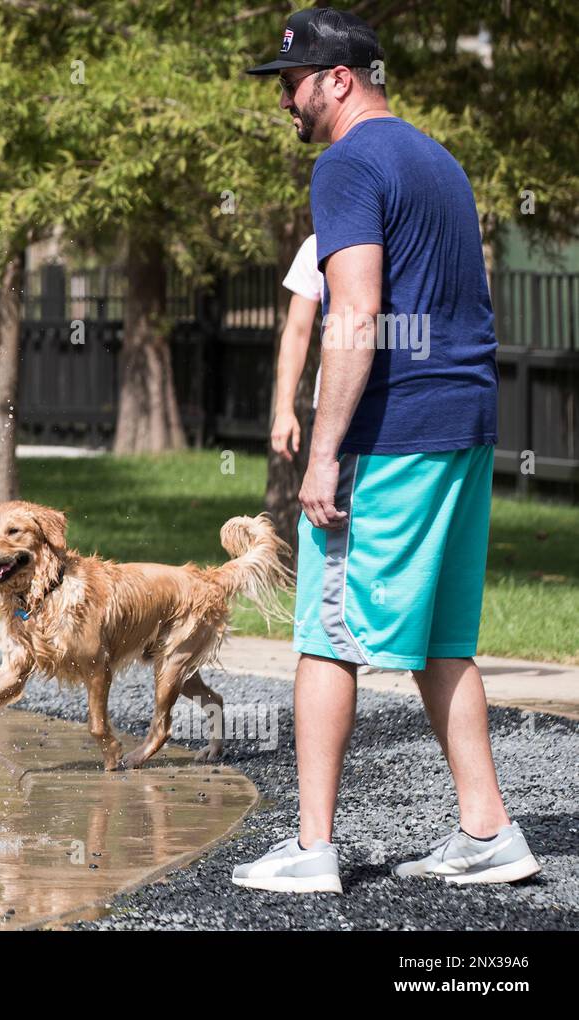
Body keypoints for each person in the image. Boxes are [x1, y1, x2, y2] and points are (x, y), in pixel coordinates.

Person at [235, 7, 539, 893]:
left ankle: (312, 848)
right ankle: (489, 832)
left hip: (394, 432)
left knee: (329, 634)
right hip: (465, 423)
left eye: (291, 85)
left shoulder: (347, 163)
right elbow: (465, 298)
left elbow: (357, 315)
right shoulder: (437, 159)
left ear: (339, 80)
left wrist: (323, 451)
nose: (285, 102)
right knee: (444, 639)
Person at [271, 234, 323, 462]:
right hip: (331, 413)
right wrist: (283, 410)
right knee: (326, 498)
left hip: (408, 410)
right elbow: (297, 332)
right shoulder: (317, 245)